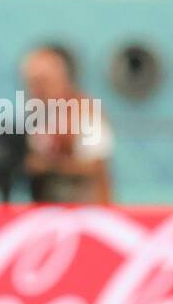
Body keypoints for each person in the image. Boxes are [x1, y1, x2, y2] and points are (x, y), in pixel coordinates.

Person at [21, 46, 114, 204]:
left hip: (87, 213)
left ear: (61, 78)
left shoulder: (84, 111)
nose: (37, 89)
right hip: (52, 214)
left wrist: (49, 166)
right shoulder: (40, 116)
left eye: (42, 82)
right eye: (31, 83)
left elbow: (96, 165)